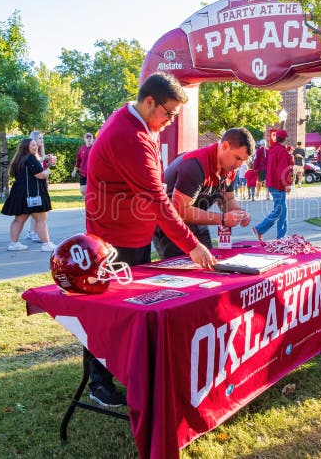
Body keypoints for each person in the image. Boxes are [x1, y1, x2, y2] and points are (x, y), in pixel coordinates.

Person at [85, 71, 214, 407]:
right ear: (149, 101)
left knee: (133, 308)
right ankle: (98, 383)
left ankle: (129, 369)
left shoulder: (142, 124)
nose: (170, 122)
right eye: (168, 113)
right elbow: (160, 202)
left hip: (133, 233)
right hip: (114, 238)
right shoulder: (130, 136)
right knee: (109, 311)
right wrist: (193, 245)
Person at [153, 128, 254, 258]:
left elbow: (228, 199)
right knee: (184, 274)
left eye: (243, 161)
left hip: (197, 221)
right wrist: (222, 219)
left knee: (209, 265)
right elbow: (180, 211)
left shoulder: (229, 168)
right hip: (171, 226)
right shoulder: (194, 165)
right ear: (225, 146)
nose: (239, 165)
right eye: (238, 158)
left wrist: (240, 213)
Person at [2, 138, 56, 252]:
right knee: (41, 219)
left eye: (36, 145)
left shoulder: (19, 159)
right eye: (33, 145)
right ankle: (46, 244)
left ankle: (14, 243)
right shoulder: (30, 158)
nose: (36, 147)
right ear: (26, 146)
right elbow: (40, 174)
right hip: (33, 193)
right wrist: (48, 171)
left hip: (20, 193)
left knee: (19, 219)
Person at [253, 129, 293, 240]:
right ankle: (259, 229)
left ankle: (282, 236)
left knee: (283, 210)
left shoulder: (272, 150)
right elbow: (284, 169)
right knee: (279, 210)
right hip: (278, 184)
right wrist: (287, 184)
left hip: (271, 182)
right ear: (285, 139)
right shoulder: (282, 151)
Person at [25, 130, 56, 241]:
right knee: (37, 210)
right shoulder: (32, 154)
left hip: (42, 184)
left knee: (36, 210)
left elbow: (42, 167)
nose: (41, 140)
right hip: (35, 185)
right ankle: (34, 232)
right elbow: (34, 165)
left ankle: (32, 231)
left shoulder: (39, 153)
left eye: (42, 138)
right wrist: (44, 160)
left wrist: (49, 164)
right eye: (39, 138)